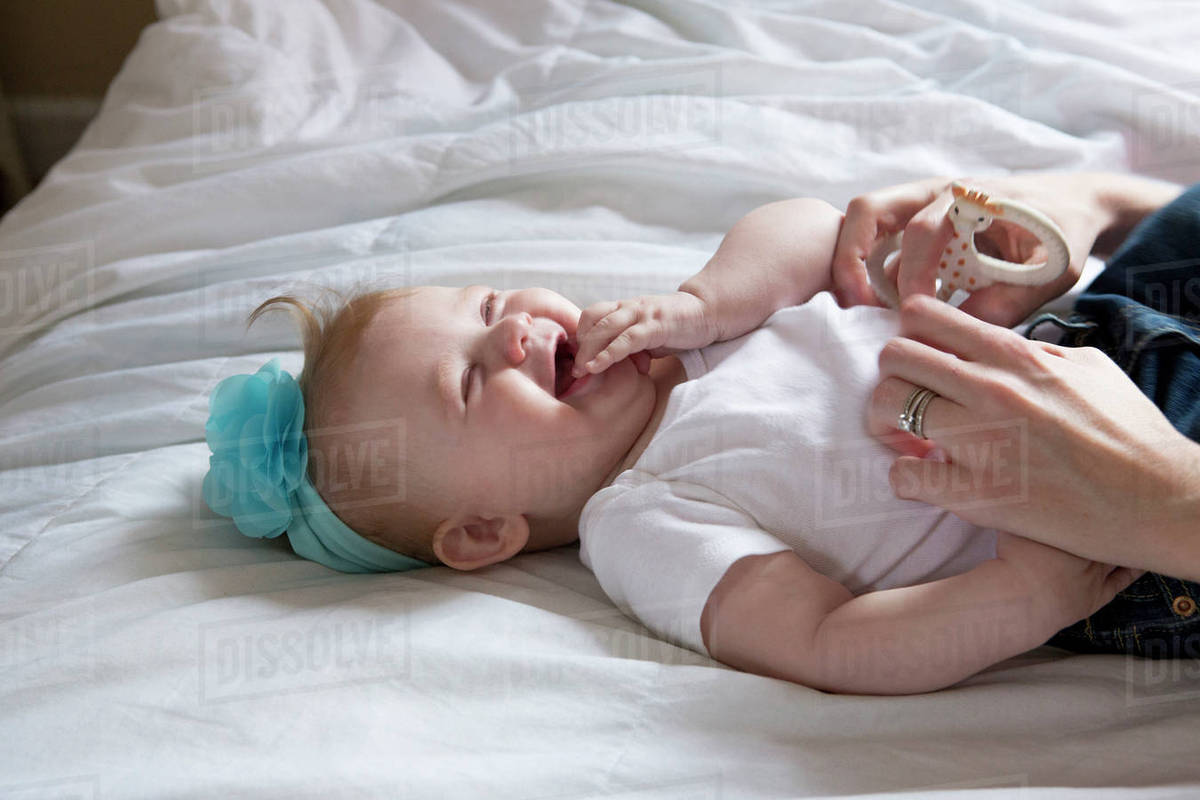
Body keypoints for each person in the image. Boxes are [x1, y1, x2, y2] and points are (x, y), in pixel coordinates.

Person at [203, 195, 1146, 696]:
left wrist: (707, 297)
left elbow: (813, 226)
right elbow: (825, 644)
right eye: (471, 381)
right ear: (485, 531)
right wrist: (1025, 596)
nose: (513, 335)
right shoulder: (643, 522)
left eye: (490, 307)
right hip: (1101, 518)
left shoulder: (680, 330)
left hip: (1100, 338)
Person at [831, 172, 1200, 656]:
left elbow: (824, 645)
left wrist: (1165, 496)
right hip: (1090, 369)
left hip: (1098, 535)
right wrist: (1098, 201)